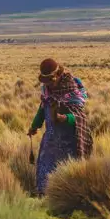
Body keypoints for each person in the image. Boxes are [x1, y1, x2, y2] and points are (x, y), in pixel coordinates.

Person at [27, 58, 92, 195]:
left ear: (57, 76)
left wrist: (65, 118)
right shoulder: (47, 89)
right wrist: (35, 125)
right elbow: (43, 108)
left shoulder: (71, 89)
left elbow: (80, 117)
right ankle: (44, 196)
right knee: (45, 167)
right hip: (50, 138)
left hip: (68, 142)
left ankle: (64, 198)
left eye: (50, 81)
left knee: (65, 171)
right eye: (45, 82)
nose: (48, 84)